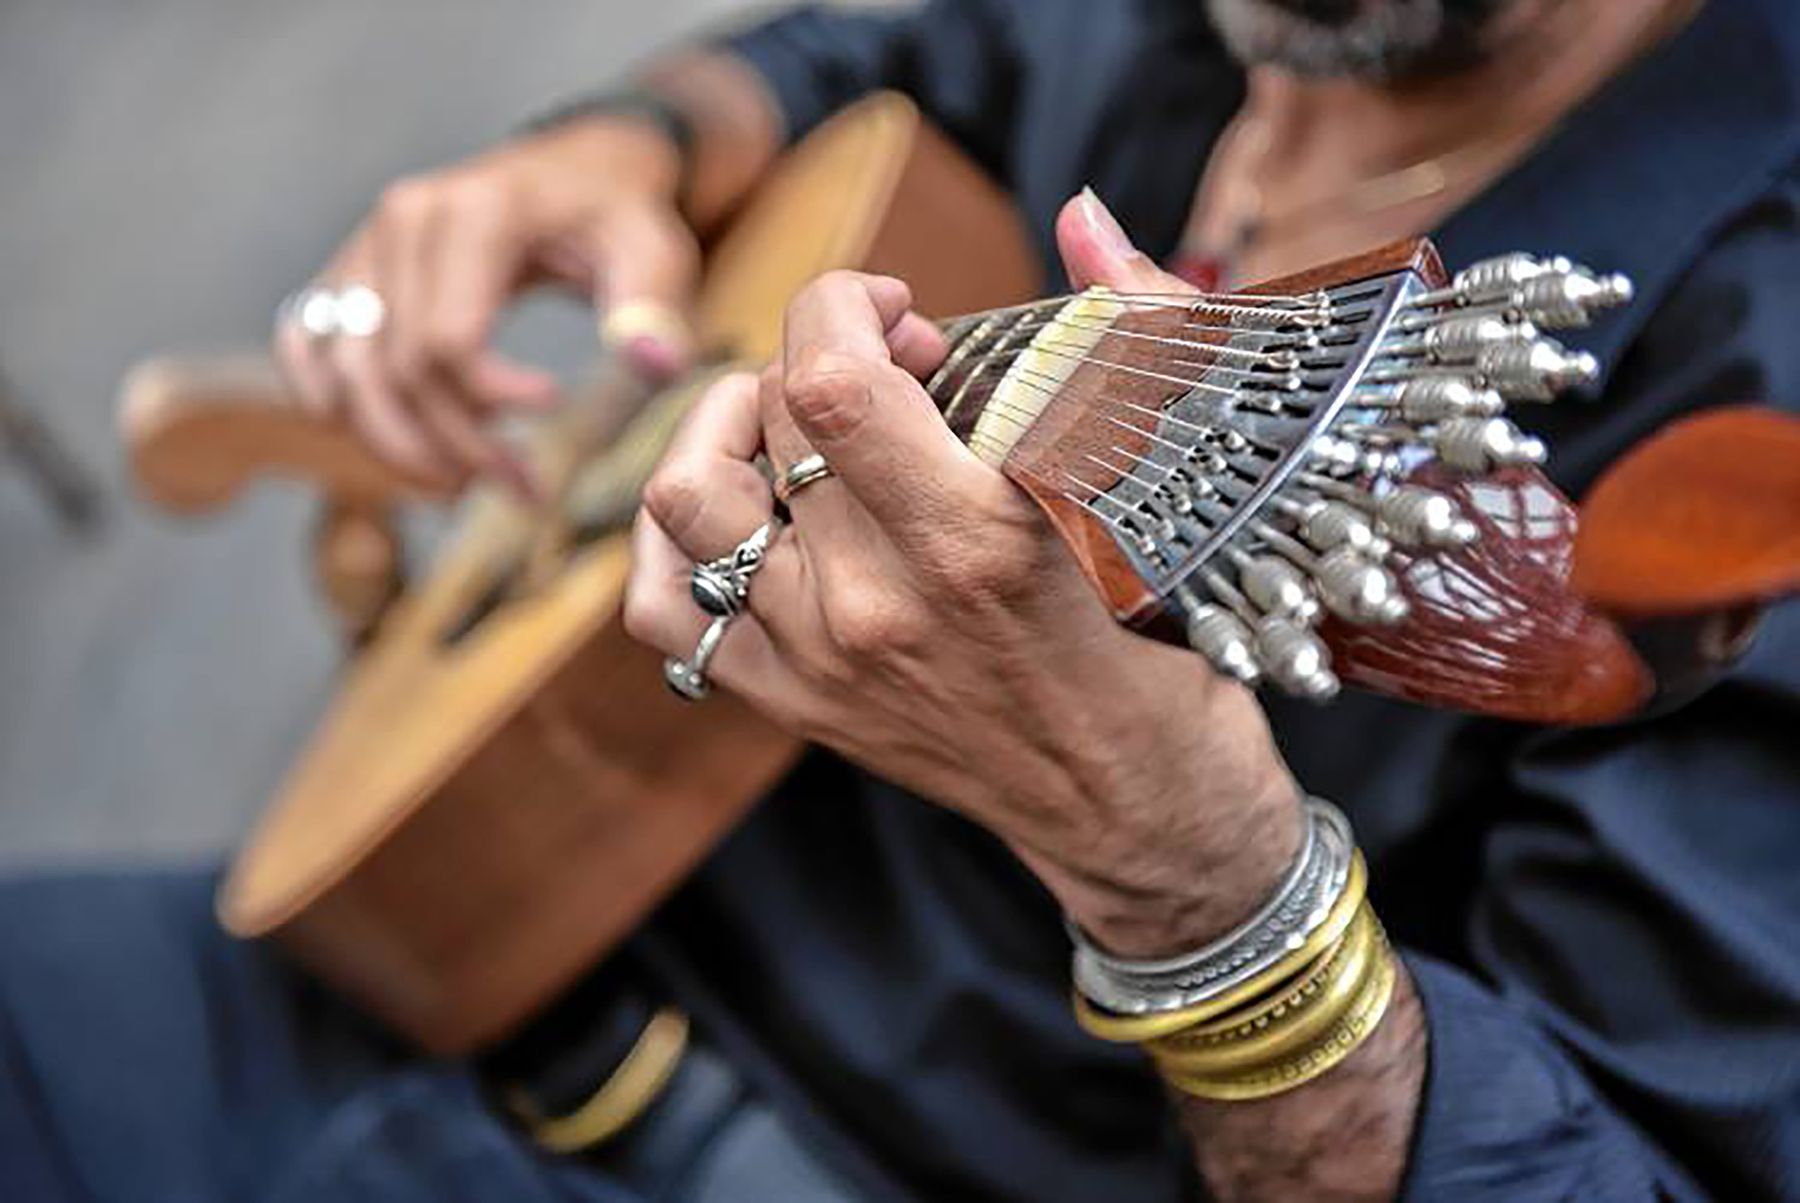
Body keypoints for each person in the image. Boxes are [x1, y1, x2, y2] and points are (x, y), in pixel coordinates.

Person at [4, 1, 1798, 1200]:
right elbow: (884, 55)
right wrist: (623, 143)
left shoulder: (1755, 364)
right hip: (468, 930)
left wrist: (1196, 890)